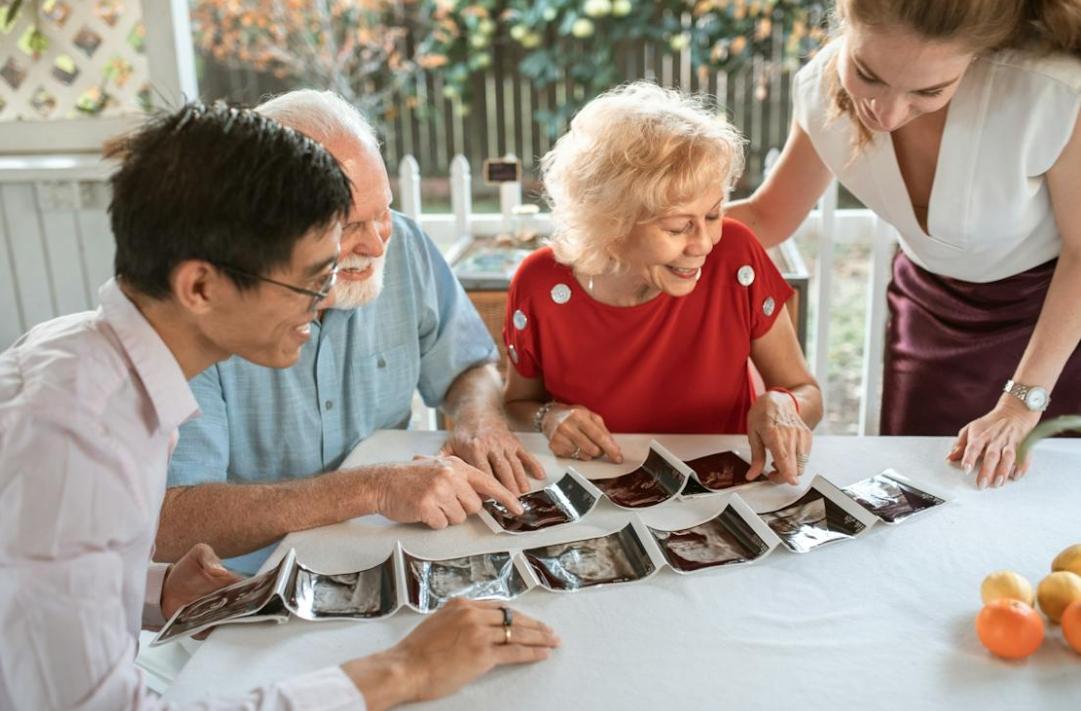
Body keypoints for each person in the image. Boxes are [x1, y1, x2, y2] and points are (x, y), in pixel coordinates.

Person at [0, 102, 558, 711]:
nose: (324, 305)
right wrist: (401, 671)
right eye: (311, 278)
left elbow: (44, 578)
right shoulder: (79, 441)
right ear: (201, 288)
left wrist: (155, 589)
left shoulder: (106, 372)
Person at [160, 90, 541, 574]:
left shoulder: (401, 243)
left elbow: (467, 367)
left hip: (397, 551)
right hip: (258, 577)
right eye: (350, 225)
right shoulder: (205, 307)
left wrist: (476, 421)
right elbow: (172, 519)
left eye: (383, 211)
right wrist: (374, 487)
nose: (380, 241)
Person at [726, 0, 1081, 490]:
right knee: (917, 491)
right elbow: (767, 216)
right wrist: (629, 226)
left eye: (929, 91)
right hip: (928, 314)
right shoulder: (817, 89)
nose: (887, 114)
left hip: (1058, 325)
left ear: (976, 57)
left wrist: (1022, 402)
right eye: (867, 75)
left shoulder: (1053, 95)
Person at [502, 82, 823, 484]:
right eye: (678, 227)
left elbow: (804, 390)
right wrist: (549, 416)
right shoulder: (541, 284)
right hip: (601, 489)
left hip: (721, 488)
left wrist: (783, 403)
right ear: (612, 225)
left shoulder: (737, 255)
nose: (704, 244)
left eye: (712, 215)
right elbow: (517, 403)